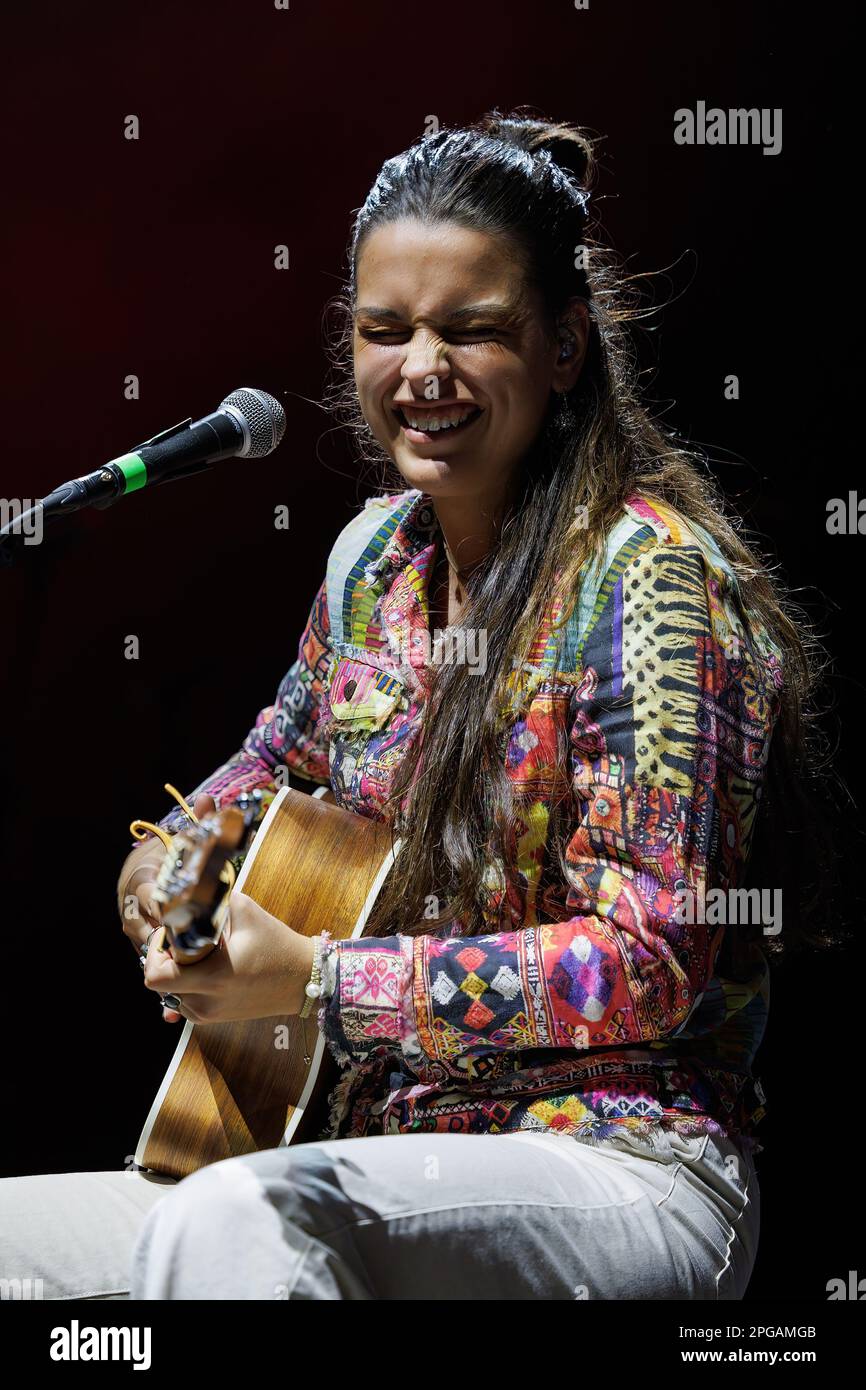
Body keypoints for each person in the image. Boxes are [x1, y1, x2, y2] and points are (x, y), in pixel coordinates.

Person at [0, 109, 812, 1301]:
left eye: (470, 330)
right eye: (386, 330)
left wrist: (323, 982)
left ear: (565, 347)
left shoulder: (652, 587)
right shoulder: (372, 564)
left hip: (619, 1156)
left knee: (237, 1221)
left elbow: (648, 960)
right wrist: (164, 883)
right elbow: (255, 778)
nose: (419, 367)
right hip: (354, 1152)